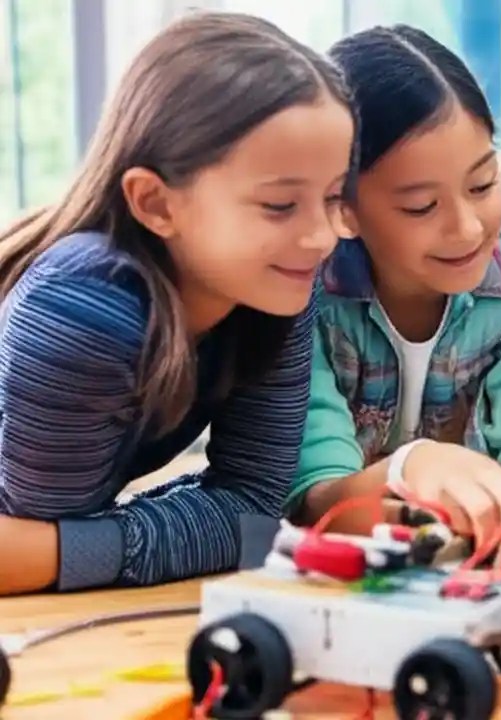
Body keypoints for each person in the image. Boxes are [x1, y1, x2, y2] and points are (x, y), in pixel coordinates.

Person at [0, 11, 353, 595]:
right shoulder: (86, 307)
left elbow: (255, 512)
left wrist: (77, 547)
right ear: (155, 203)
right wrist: (72, 547)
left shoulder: (280, 279)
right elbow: (32, 542)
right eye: (279, 205)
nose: (322, 236)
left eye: (334, 196)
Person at [290, 25, 501, 538]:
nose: (468, 229)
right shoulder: (300, 282)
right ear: (343, 207)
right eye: (421, 206)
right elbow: (316, 501)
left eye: (483, 184)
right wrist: (410, 467)